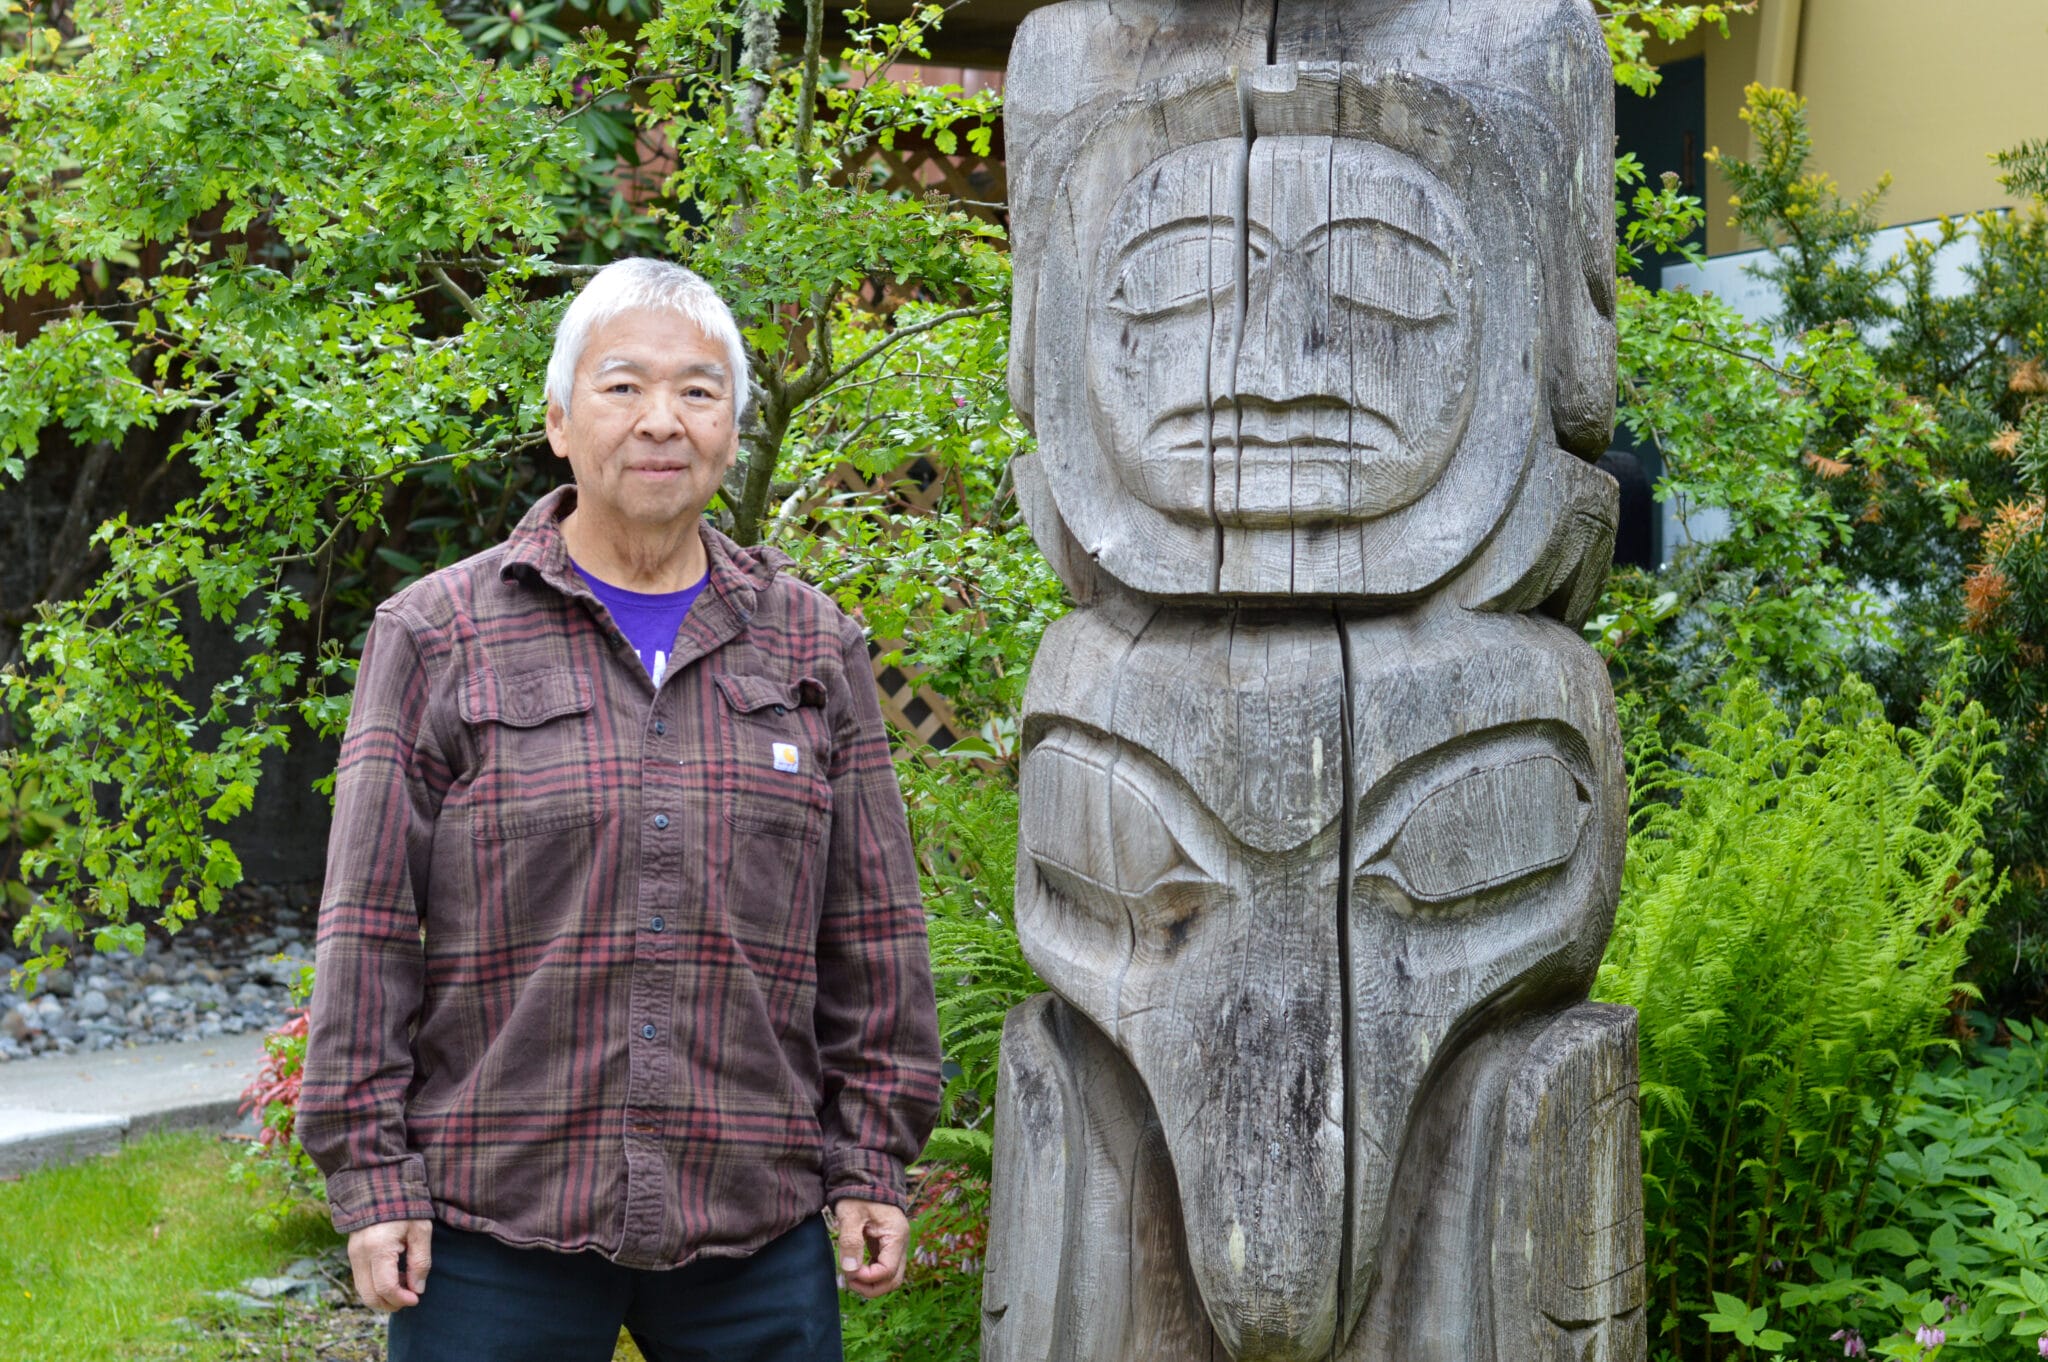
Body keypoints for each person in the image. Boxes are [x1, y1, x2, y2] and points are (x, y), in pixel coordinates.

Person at [299, 257, 942, 1362]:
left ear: (730, 429)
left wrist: (871, 1156)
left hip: (755, 1211)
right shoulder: (437, 635)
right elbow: (369, 927)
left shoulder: (811, 644)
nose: (661, 421)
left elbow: (873, 928)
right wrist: (369, 1175)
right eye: (623, 386)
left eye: (697, 391)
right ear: (559, 421)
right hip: (493, 1214)